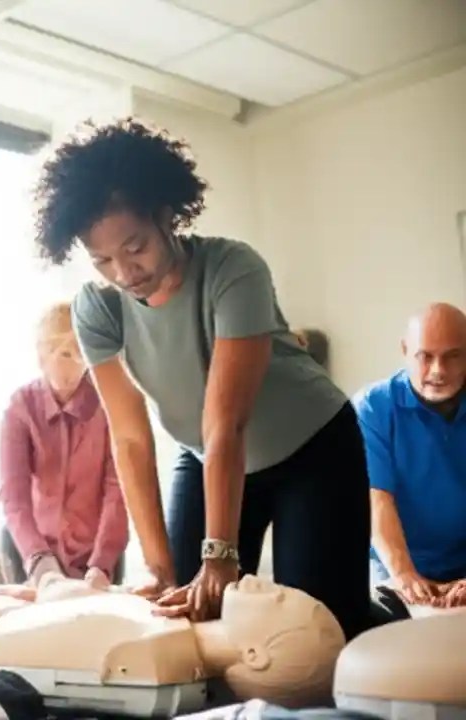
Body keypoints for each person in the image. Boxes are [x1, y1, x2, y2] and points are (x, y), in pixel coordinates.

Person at [33, 118, 370, 640]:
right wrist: (158, 564)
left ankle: (385, 614)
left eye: (136, 246)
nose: (124, 272)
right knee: (188, 609)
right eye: (102, 259)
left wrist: (220, 554)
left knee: (319, 628)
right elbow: (129, 438)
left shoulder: (233, 269)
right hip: (204, 454)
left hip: (311, 448)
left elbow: (225, 422)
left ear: (167, 215)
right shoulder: (97, 307)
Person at [0, 301, 128, 586]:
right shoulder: (20, 408)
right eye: (61, 353)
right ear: (40, 355)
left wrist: (102, 564)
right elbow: (13, 495)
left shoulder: (107, 406)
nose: (69, 364)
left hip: (96, 555)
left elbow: (118, 490)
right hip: (31, 554)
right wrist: (40, 562)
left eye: (78, 355)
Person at [354, 303, 466, 610]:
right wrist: (404, 574)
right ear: (405, 351)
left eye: (452, 356)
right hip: (396, 566)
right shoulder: (373, 407)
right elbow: (377, 498)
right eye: (425, 356)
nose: (438, 371)